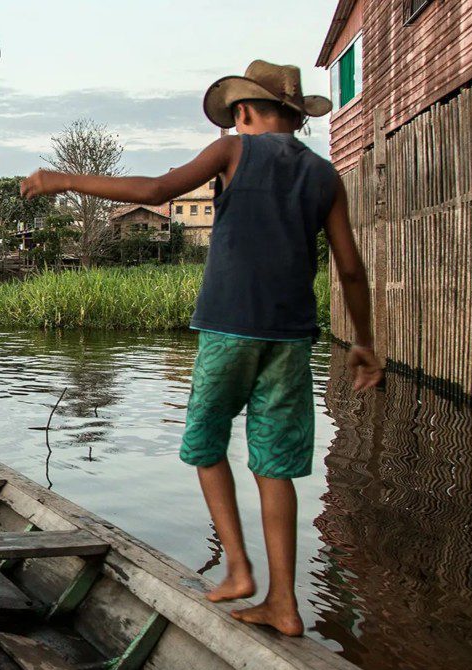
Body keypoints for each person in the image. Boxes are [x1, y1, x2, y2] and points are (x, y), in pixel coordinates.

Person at [21, 60, 384, 637]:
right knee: (276, 466)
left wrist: (64, 180)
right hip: (291, 338)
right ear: (293, 116)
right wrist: (363, 342)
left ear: (242, 112)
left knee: (205, 441)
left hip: (229, 326)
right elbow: (352, 270)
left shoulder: (234, 152)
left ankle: (239, 570)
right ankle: (285, 604)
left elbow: (156, 191)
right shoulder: (325, 176)